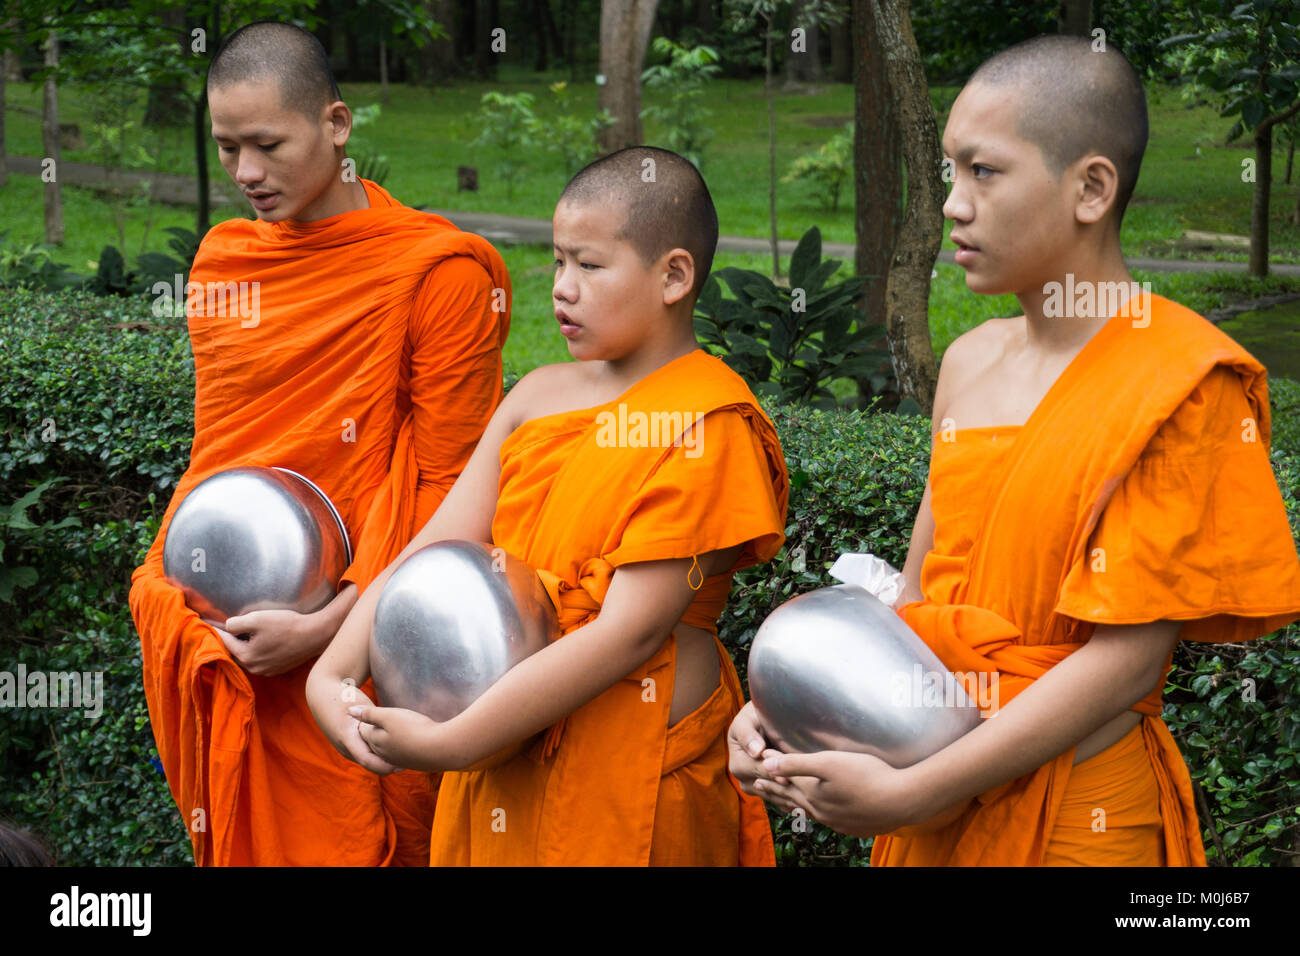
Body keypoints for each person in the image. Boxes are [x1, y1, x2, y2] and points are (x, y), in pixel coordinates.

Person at [729, 34, 1300, 865]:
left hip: (1076, 808)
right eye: (951, 173)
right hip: (928, 774)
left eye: (984, 172)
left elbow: (1126, 662)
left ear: (1091, 188)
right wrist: (787, 713)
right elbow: (918, 597)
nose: (954, 204)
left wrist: (922, 790)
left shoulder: (1183, 379)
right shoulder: (969, 362)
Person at [308, 145, 789, 865]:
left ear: (674, 276)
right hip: (505, 741)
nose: (562, 288)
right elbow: (434, 553)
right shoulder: (537, 395)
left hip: (631, 754)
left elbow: (626, 633)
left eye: (590, 266)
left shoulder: (709, 422)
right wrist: (332, 670)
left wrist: (459, 741)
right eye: (559, 262)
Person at [128, 21, 512, 866]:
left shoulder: (439, 273)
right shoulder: (223, 264)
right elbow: (218, 458)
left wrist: (333, 632)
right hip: (229, 635)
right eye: (227, 148)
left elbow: (451, 493)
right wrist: (181, 602)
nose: (246, 175)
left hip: (375, 646)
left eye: (268, 144)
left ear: (336, 125)